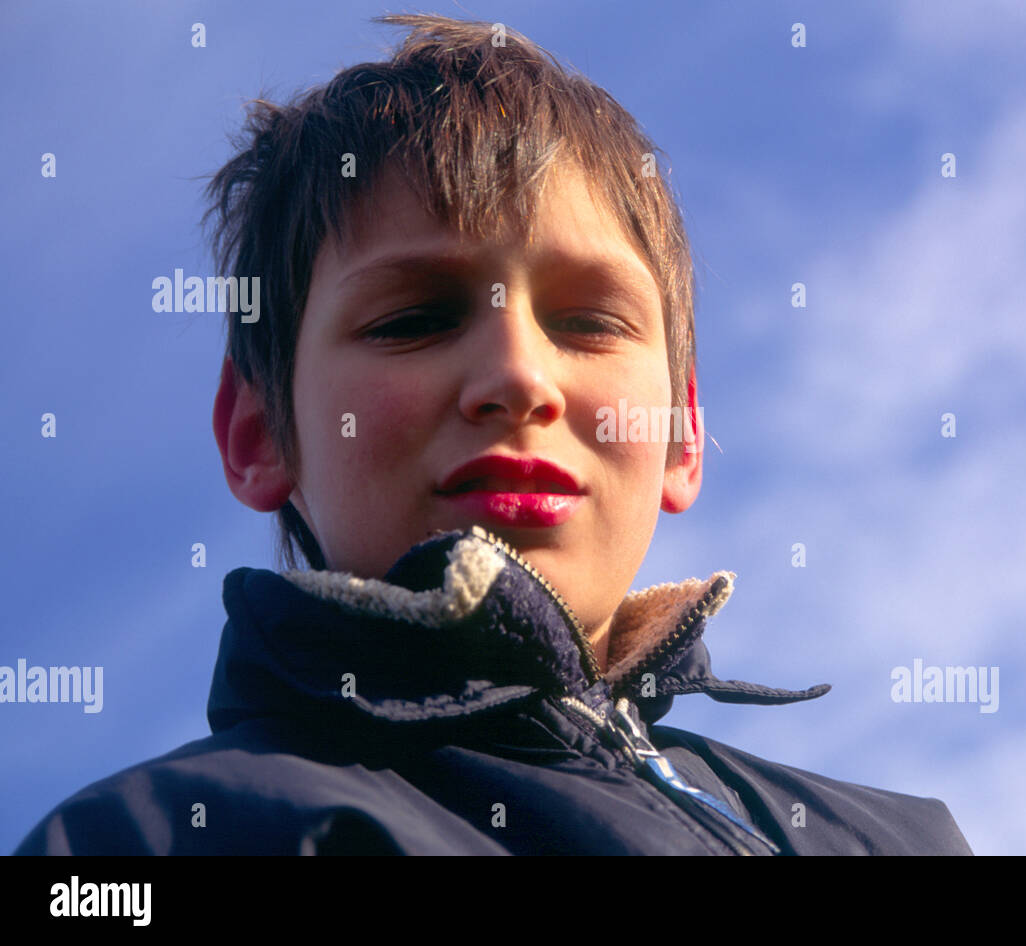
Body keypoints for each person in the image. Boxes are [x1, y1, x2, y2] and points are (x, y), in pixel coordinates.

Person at [14, 13, 973, 855]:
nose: (518, 377)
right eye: (413, 319)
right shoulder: (157, 840)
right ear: (261, 432)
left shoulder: (901, 839)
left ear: (682, 435)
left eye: (590, 323)